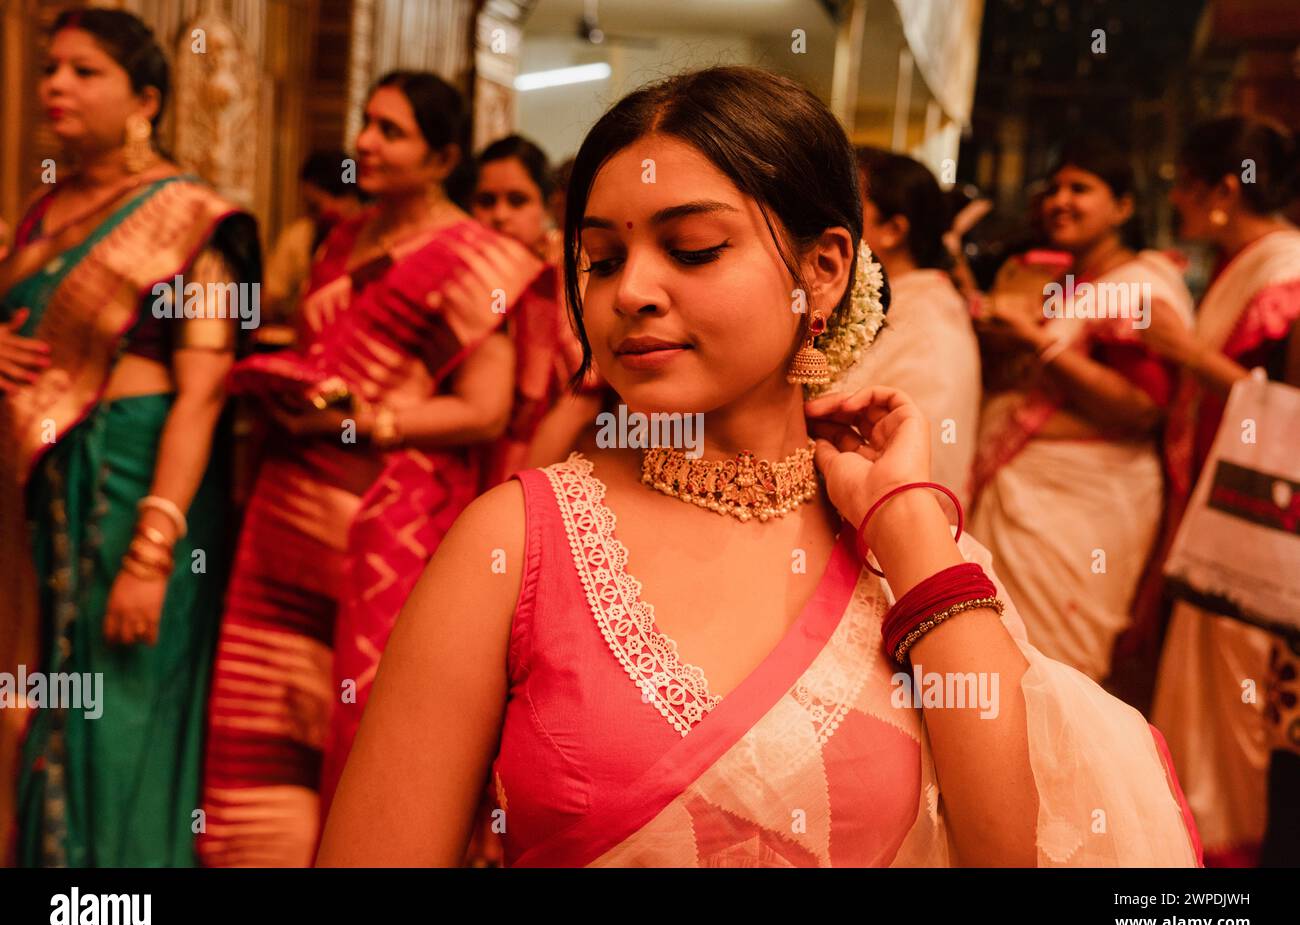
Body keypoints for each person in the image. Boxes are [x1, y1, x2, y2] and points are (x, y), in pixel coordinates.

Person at [317, 67, 1200, 868]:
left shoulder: (903, 551)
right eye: (602, 258)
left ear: (821, 272)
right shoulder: (514, 544)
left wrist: (906, 521)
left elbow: (1017, 847)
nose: (630, 292)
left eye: (694, 247)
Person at [199, 70, 543, 867]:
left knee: (364, 713)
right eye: (365, 123)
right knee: (281, 703)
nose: (364, 143)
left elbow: (485, 410)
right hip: (293, 504)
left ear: (442, 155)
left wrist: (363, 421)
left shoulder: (472, 258)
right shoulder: (345, 239)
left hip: (386, 520)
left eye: (390, 131)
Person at [0, 8, 259, 866]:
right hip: (42, 487)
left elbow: (204, 391)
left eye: (84, 71)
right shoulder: (42, 215)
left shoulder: (192, 220)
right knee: (43, 703)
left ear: (145, 98)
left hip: (137, 488)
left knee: (123, 710)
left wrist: (153, 550)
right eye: (50, 68)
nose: (55, 87)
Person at [967, 141, 1195, 683]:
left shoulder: (1136, 286)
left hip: (1086, 503)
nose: (1059, 202)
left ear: (1123, 207)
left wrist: (1037, 343)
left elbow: (1142, 410)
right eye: (1053, 189)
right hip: (1039, 495)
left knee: (1057, 668)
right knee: (1004, 652)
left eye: (1080, 189)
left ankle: (1055, 766)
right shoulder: (1073, 283)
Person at [1145, 116, 1300, 867]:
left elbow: (1292, 415)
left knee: (1235, 710)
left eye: (1182, 183)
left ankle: (1223, 866)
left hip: (1256, 533)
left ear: (1219, 192)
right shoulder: (1248, 263)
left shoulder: (1285, 274)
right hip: (1213, 516)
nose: (1173, 199)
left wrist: (1185, 355)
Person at [837, 147, 981, 509]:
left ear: (893, 229)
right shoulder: (901, 299)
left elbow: (926, 471)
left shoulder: (930, 320)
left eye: (845, 202)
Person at [469, 134, 571, 487]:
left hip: (542, 472)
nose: (499, 215)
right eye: (486, 201)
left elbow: (580, 399)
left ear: (547, 207)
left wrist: (520, 491)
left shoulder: (562, 280)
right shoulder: (461, 283)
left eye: (517, 201)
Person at [260, 149, 364, 332]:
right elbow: (270, 298)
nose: (313, 215)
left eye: (314, 206)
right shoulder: (300, 236)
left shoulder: (377, 236)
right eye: (309, 206)